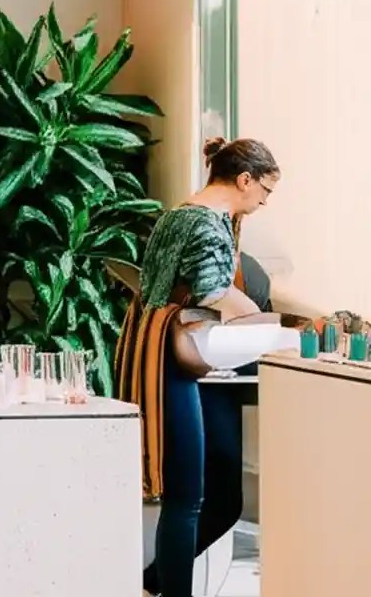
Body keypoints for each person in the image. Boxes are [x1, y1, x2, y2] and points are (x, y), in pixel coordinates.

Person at [113, 137, 281, 597]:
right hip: (175, 358)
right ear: (245, 179)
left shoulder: (177, 214)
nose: (265, 202)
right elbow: (211, 290)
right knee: (186, 498)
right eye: (265, 190)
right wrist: (261, 318)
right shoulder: (208, 223)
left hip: (152, 348)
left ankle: (154, 586)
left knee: (187, 497)